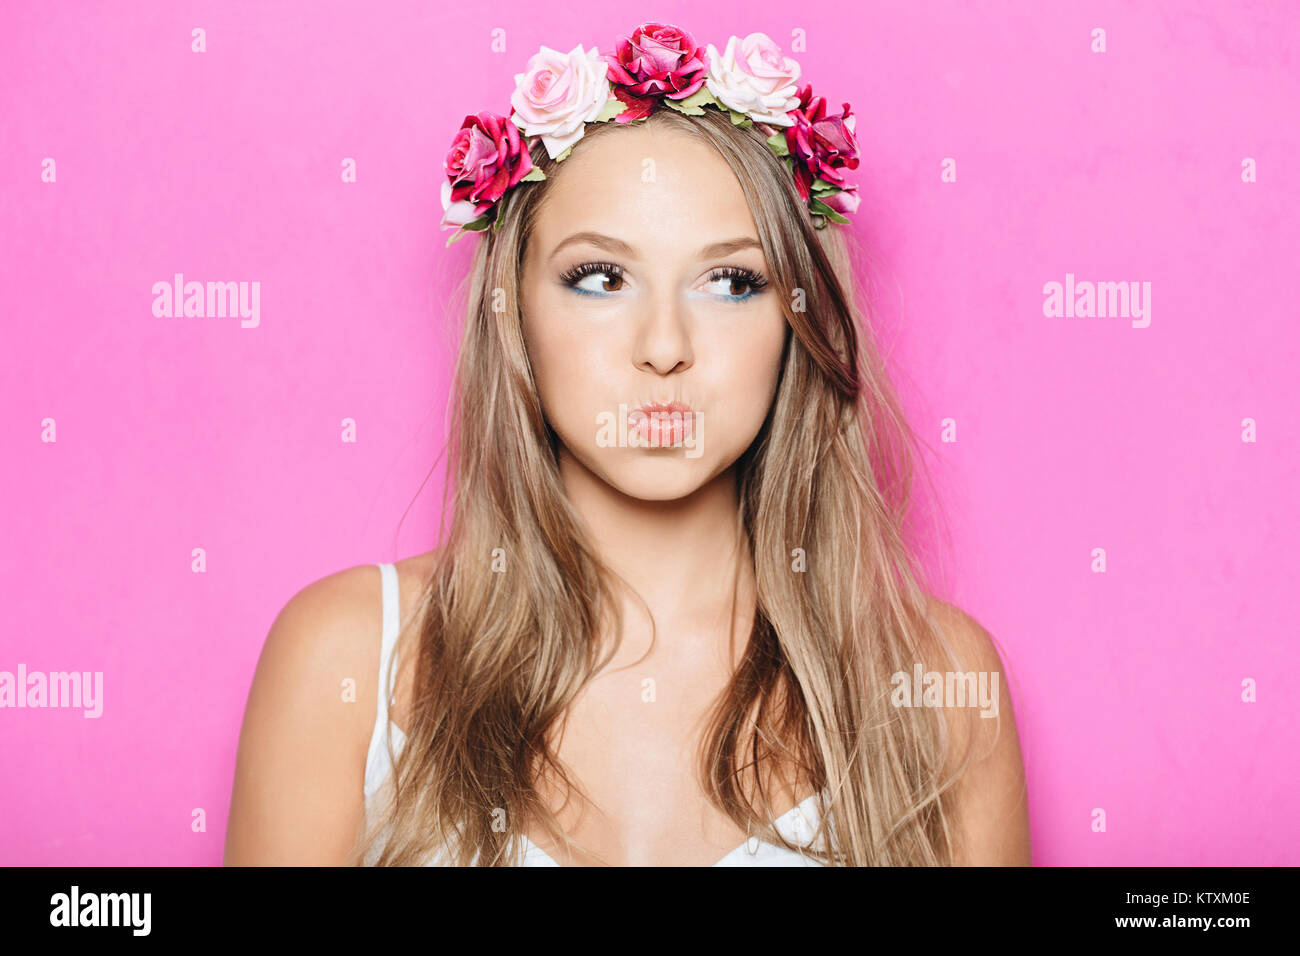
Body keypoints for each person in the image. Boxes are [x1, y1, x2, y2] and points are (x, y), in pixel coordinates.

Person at [224, 24, 1031, 867]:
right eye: (600, 278)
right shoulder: (346, 656)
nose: (664, 345)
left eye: (731, 282)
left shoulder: (938, 688)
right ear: (515, 315)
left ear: (797, 321)